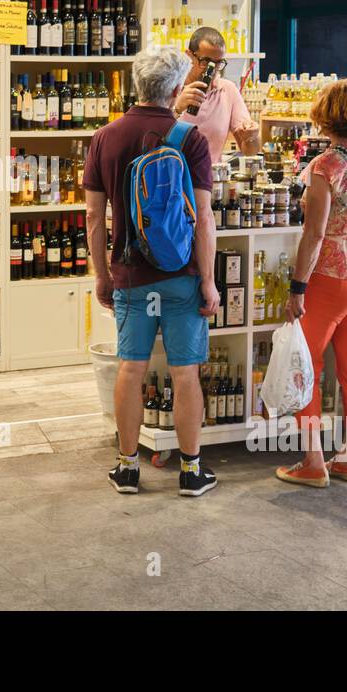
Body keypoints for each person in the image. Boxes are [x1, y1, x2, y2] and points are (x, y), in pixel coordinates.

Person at [85, 47, 219, 498]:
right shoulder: (191, 138)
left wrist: (102, 274)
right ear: (177, 90)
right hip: (181, 274)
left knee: (131, 368)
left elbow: (92, 217)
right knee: (185, 374)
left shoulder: (105, 137)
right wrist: (207, 279)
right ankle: (191, 472)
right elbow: (202, 217)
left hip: (130, 275)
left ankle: (127, 469)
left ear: (134, 85)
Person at [279, 78, 347, 488]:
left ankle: (313, 461)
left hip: (331, 277)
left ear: (328, 113)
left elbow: (315, 233)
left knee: (306, 365)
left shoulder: (325, 165)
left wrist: (297, 287)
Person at [173, 26, 261, 161]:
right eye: (206, 62)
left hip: (211, 178)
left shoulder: (228, 90)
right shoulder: (171, 88)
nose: (212, 70)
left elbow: (249, 151)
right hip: (175, 177)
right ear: (189, 55)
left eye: (218, 63)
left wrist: (251, 136)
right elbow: (152, 139)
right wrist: (176, 109)